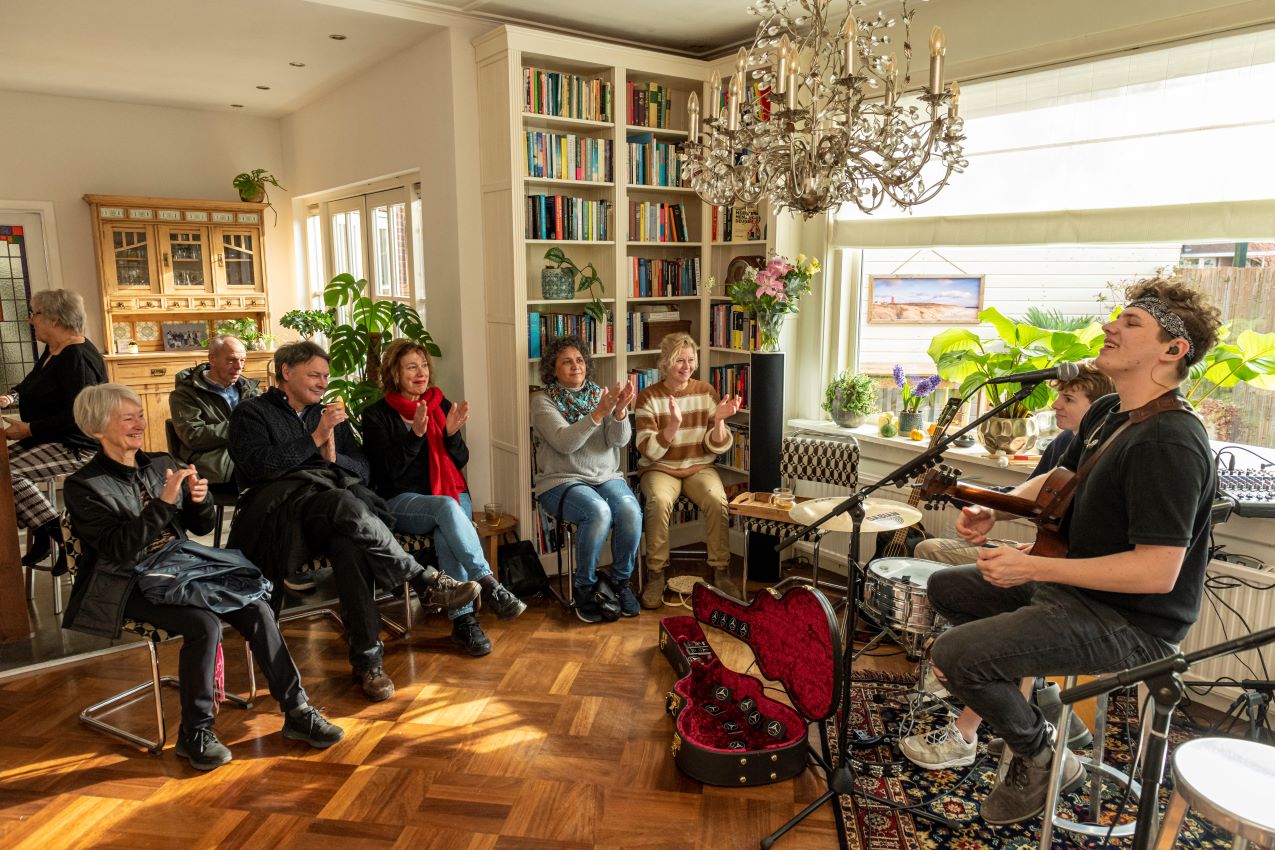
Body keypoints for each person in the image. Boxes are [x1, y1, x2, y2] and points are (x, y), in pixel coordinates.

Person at [904, 276, 1221, 826]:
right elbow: (1058, 476)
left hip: (1132, 622)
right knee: (946, 586)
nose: (1109, 326)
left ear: (1174, 350)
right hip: (1072, 591)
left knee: (957, 653)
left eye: (1130, 323)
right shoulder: (1109, 414)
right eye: (1117, 318)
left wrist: (1033, 565)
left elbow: (1157, 571)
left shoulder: (1170, 442)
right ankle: (1049, 708)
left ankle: (1043, 754)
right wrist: (1000, 508)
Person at [63, 384, 344, 771]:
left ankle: (297, 710)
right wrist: (163, 503)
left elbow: (201, 524)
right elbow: (119, 548)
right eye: (127, 418)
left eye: (139, 415)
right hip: (125, 582)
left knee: (257, 605)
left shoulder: (160, 462)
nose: (139, 424)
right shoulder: (84, 485)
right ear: (97, 429)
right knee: (203, 624)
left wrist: (200, 501)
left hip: (179, 568)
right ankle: (195, 733)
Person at [227, 341, 481, 702]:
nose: (321, 382)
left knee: (351, 543)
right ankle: (421, 578)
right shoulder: (251, 414)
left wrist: (332, 457)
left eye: (326, 376)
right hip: (281, 520)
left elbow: (362, 468)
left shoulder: (329, 412)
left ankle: (368, 664)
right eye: (314, 375)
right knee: (342, 503)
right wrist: (315, 440)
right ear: (286, 373)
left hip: (332, 518)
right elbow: (257, 468)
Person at [362, 339, 527, 656]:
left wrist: (451, 435)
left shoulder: (439, 403)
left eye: (424, 365)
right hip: (402, 501)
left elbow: (460, 458)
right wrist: (415, 437)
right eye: (411, 366)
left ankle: (464, 622)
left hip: (449, 496)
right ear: (394, 372)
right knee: (448, 510)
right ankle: (490, 585)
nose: (420, 372)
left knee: (447, 525)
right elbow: (387, 475)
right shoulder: (376, 416)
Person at [912, 363, 1116, 565]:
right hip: (1044, 551)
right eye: (1059, 396)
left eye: (1068, 399)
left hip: (1067, 563)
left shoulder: (1111, 451)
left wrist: (1048, 552)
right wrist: (961, 494)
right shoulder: (1062, 442)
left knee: (930, 551)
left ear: (1099, 407)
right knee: (929, 548)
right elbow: (1030, 497)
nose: (1055, 405)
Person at [531, 335, 642, 623]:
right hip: (561, 481)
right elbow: (565, 443)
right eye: (566, 361)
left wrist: (618, 413)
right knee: (598, 511)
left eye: (579, 360)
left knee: (630, 510)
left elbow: (618, 441)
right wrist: (599, 413)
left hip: (605, 476)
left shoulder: (599, 394)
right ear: (552, 369)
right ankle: (586, 587)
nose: (575, 366)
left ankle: (619, 583)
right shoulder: (542, 401)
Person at [633, 332, 742, 610]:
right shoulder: (648, 397)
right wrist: (672, 426)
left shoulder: (706, 392)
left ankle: (721, 570)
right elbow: (647, 450)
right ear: (665, 363)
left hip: (698, 466)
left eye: (691, 360)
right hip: (659, 468)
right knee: (658, 501)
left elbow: (715, 446)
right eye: (679, 360)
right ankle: (656, 574)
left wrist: (718, 421)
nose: (686, 366)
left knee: (718, 500)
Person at [1, 289, 106, 574]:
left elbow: (79, 414)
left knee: (6, 475)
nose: (31, 320)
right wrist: (10, 398)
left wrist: (29, 429)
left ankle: (64, 538)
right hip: (48, 438)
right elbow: (32, 383)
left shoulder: (78, 357)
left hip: (78, 445)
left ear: (54, 319)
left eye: (34, 314)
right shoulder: (54, 350)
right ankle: (46, 534)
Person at [169, 334, 259, 484]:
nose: (239, 366)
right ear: (212, 359)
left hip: (251, 453)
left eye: (242, 360)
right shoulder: (185, 394)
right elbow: (193, 436)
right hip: (215, 462)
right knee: (269, 478)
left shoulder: (249, 389)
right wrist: (240, 427)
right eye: (231, 360)